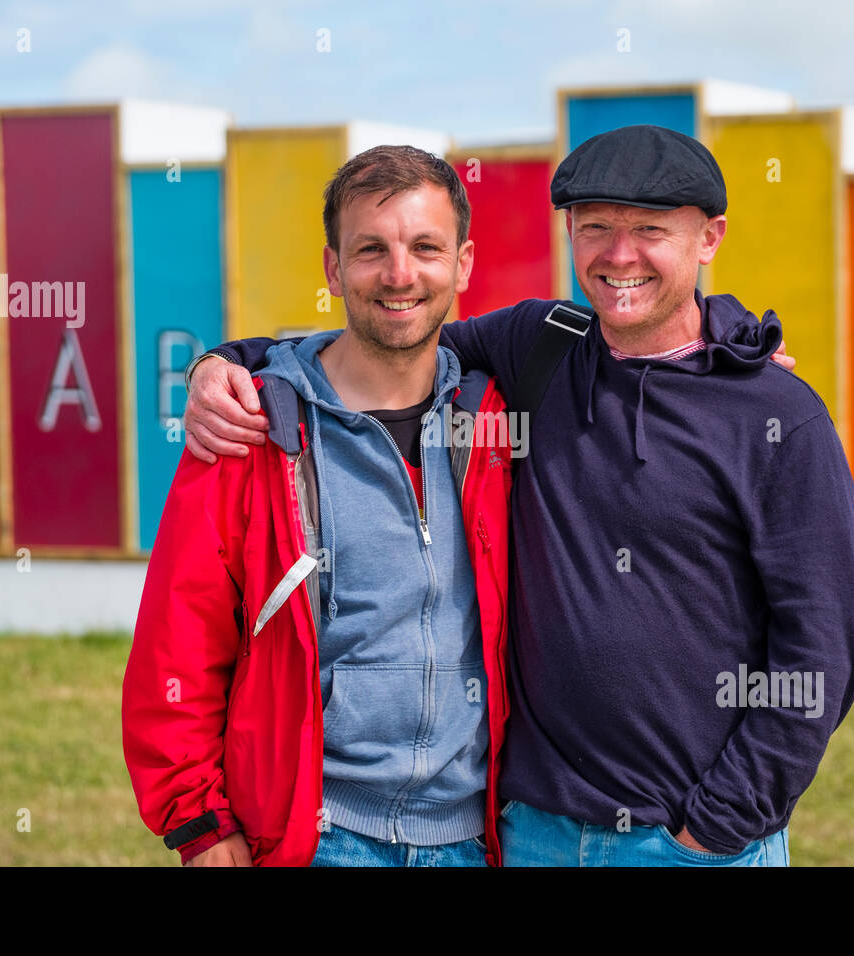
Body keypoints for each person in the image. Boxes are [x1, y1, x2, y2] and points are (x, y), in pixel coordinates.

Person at [186, 125, 854, 867]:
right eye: (596, 228)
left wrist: (718, 827)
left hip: (692, 843)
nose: (619, 255)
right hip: (529, 834)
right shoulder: (541, 344)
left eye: (649, 231)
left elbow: (820, 653)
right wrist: (227, 362)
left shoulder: (776, 415)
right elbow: (389, 335)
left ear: (710, 239)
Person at [121, 145, 516, 866]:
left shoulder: (499, 422)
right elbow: (178, 637)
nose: (400, 274)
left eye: (425, 247)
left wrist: (738, 353)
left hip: (475, 839)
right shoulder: (253, 427)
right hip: (319, 837)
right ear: (333, 268)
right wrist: (197, 823)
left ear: (461, 263)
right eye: (372, 249)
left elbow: (646, 342)